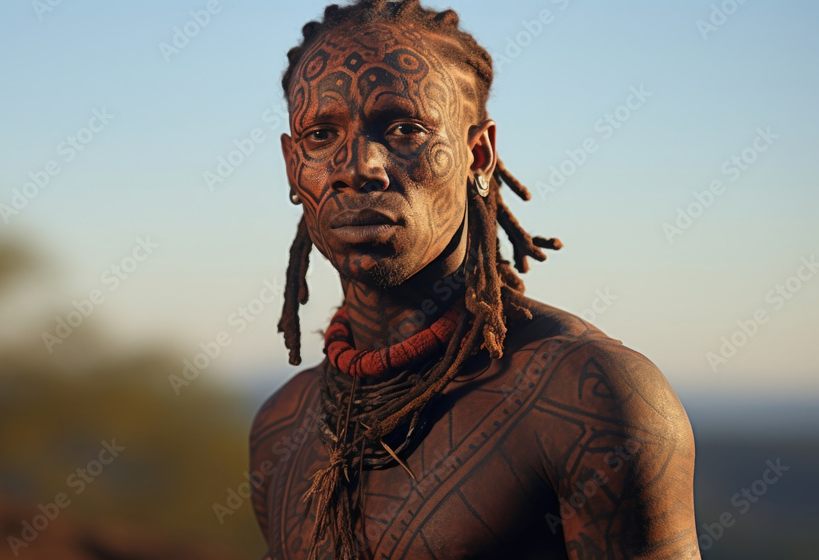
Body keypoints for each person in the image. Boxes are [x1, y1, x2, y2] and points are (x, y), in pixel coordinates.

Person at [249, 1, 699, 559]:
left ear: (478, 153)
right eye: (320, 134)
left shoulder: (591, 397)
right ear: (294, 167)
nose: (359, 165)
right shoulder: (280, 428)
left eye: (405, 128)